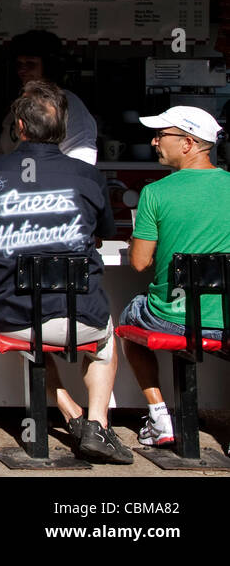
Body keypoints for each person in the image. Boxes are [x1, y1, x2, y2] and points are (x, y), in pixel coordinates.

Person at [0, 81, 132, 463]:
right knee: (105, 341)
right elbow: (103, 233)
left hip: (9, 317)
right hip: (81, 319)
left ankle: (73, 414)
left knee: (31, 327)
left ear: (18, 126)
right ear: (63, 130)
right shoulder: (88, 176)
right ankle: (96, 424)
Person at [118, 106, 229, 448]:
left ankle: (159, 414)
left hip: (172, 320)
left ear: (188, 143)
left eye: (161, 135)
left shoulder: (156, 193)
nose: (154, 142)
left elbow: (139, 263)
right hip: (226, 320)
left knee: (130, 313)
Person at [0, 30, 97, 164]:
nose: (22, 70)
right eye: (19, 64)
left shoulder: (69, 105)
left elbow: (82, 162)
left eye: (30, 64)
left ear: (49, 65)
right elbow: (2, 154)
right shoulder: (18, 106)